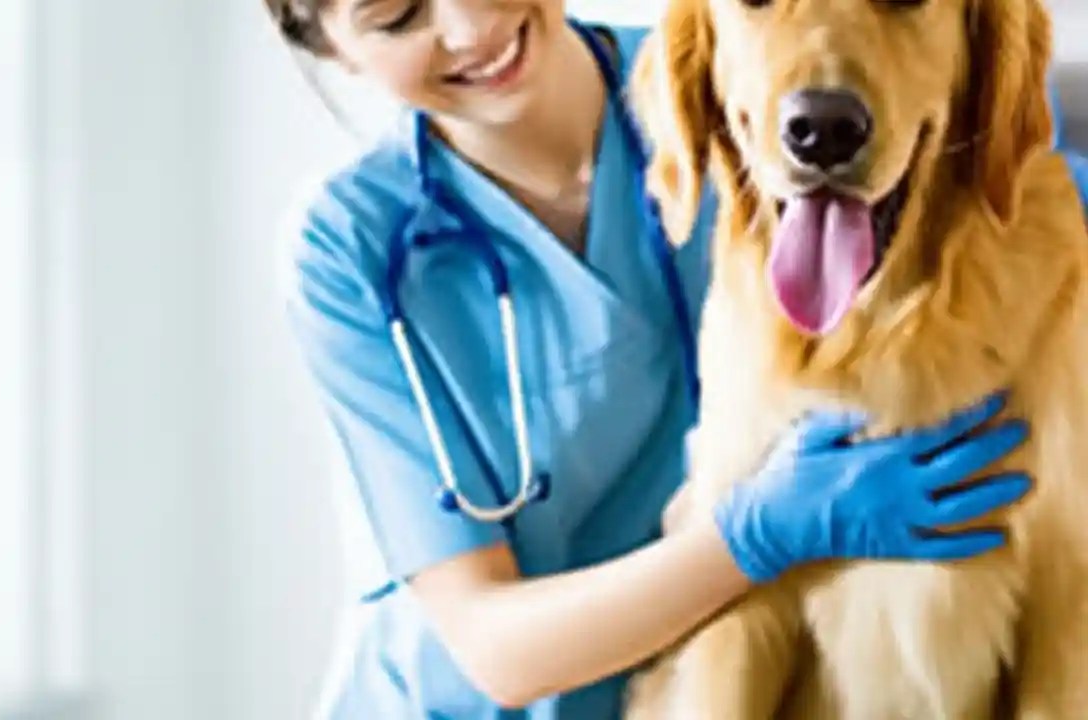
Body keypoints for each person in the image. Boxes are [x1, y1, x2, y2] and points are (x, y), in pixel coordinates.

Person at [266, 2, 1036, 718]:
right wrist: (755, 536)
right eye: (398, 17)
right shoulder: (351, 248)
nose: (472, 27)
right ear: (335, 50)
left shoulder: (737, 75)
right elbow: (494, 650)